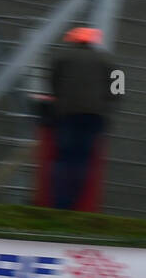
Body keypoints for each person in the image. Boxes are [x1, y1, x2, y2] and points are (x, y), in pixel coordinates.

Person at [47, 26, 118, 210]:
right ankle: (75, 202)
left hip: (67, 114)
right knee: (83, 159)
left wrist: (60, 99)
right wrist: (108, 103)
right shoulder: (107, 60)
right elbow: (119, 85)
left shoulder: (61, 57)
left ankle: (59, 202)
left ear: (73, 40)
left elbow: (53, 82)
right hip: (94, 115)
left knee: (64, 157)